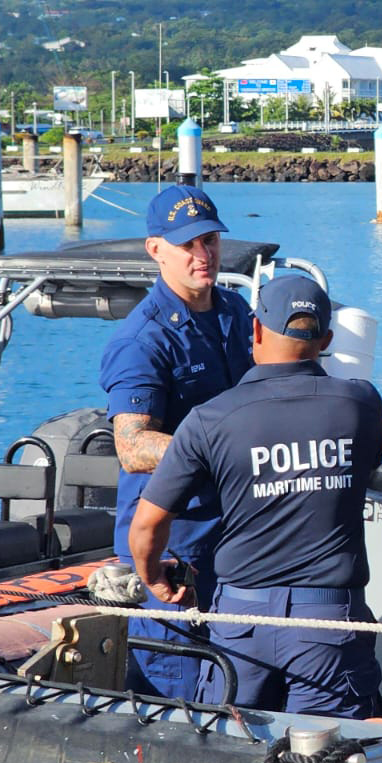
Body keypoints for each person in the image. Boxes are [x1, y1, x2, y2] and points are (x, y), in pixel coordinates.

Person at [128, 276, 382, 716]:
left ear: (257, 332)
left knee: (231, 753)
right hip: (327, 623)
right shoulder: (361, 403)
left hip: (242, 622)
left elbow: (148, 525)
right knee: (325, 761)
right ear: (326, 339)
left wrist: (153, 577)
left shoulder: (210, 419)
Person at [100, 185, 253, 699]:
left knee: (240, 682)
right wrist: (222, 451)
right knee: (179, 690)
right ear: (155, 249)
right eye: (187, 244)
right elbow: (132, 446)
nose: (202, 255)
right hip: (170, 548)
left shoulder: (236, 312)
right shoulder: (141, 339)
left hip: (234, 537)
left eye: (209, 241)